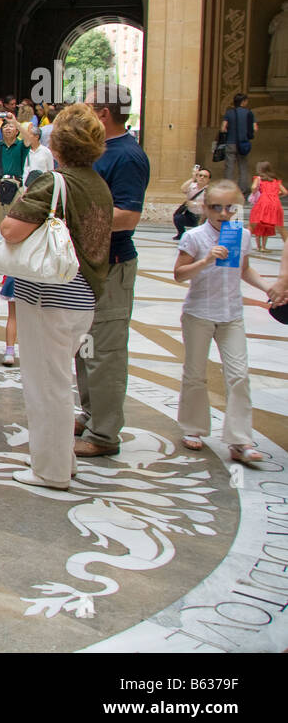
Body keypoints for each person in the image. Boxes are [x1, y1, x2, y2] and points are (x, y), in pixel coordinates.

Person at [0, 104, 113, 489]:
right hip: (83, 297)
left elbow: (11, 229)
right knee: (59, 379)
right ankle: (63, 460)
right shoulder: (98, 184)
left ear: (58, 143)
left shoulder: (53, 182)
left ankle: (50, 470)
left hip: (50, 296)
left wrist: (22, 197)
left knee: (46, 384)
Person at [174, 179, 274, 464]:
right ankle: (193, 428)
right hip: (199, 313)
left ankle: (240, 439)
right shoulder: (194, 237)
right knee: (195, 373)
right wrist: (205, 261)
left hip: (231, 314)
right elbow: (180, 274)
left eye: (229, 207)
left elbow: (245, 270)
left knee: (239, 375)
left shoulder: (241, 235)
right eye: (216, 207)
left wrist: (269, 289)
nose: (222, 212)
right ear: (206, 208)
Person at [75, 83, 150, 458]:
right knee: (84, 346)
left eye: (88, 107)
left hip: (112, 267)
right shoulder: (97, 150)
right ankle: (91, 412)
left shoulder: (128, 156)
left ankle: (104, 433)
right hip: (86, 266)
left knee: (105, 351)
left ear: (103, 114)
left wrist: (75, 217)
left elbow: (128, 216)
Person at [220, 93, 257, 197]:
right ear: (243, 101)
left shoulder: (229, 113)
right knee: (243, 167)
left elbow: (223, 128)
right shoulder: (249, 113)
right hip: (243, 144)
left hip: (230, 143)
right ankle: (242, 190)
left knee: (229, 167)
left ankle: (227, 189)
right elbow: (255, 128)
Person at [249, 161, 286, 252]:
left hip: (263, 201)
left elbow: (254, 188)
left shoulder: (258, 178)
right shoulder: (275, 180)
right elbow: (285, 192)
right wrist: (275, 195)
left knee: (252, 224)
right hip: (276, 203)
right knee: (280, 227)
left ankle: (239, 245)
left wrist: (255, 193)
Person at [176, 166, 210, 240]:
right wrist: (192, 178)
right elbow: (183, 189)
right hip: (191, 215)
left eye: (205, 176)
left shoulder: (210, 189)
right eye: (200, 175)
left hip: (203, 217)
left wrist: (195, 204)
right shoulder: (191, 186)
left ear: (208, 179)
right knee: (178, 218)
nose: (202, 178)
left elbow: (210, 203)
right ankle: (181, 234)